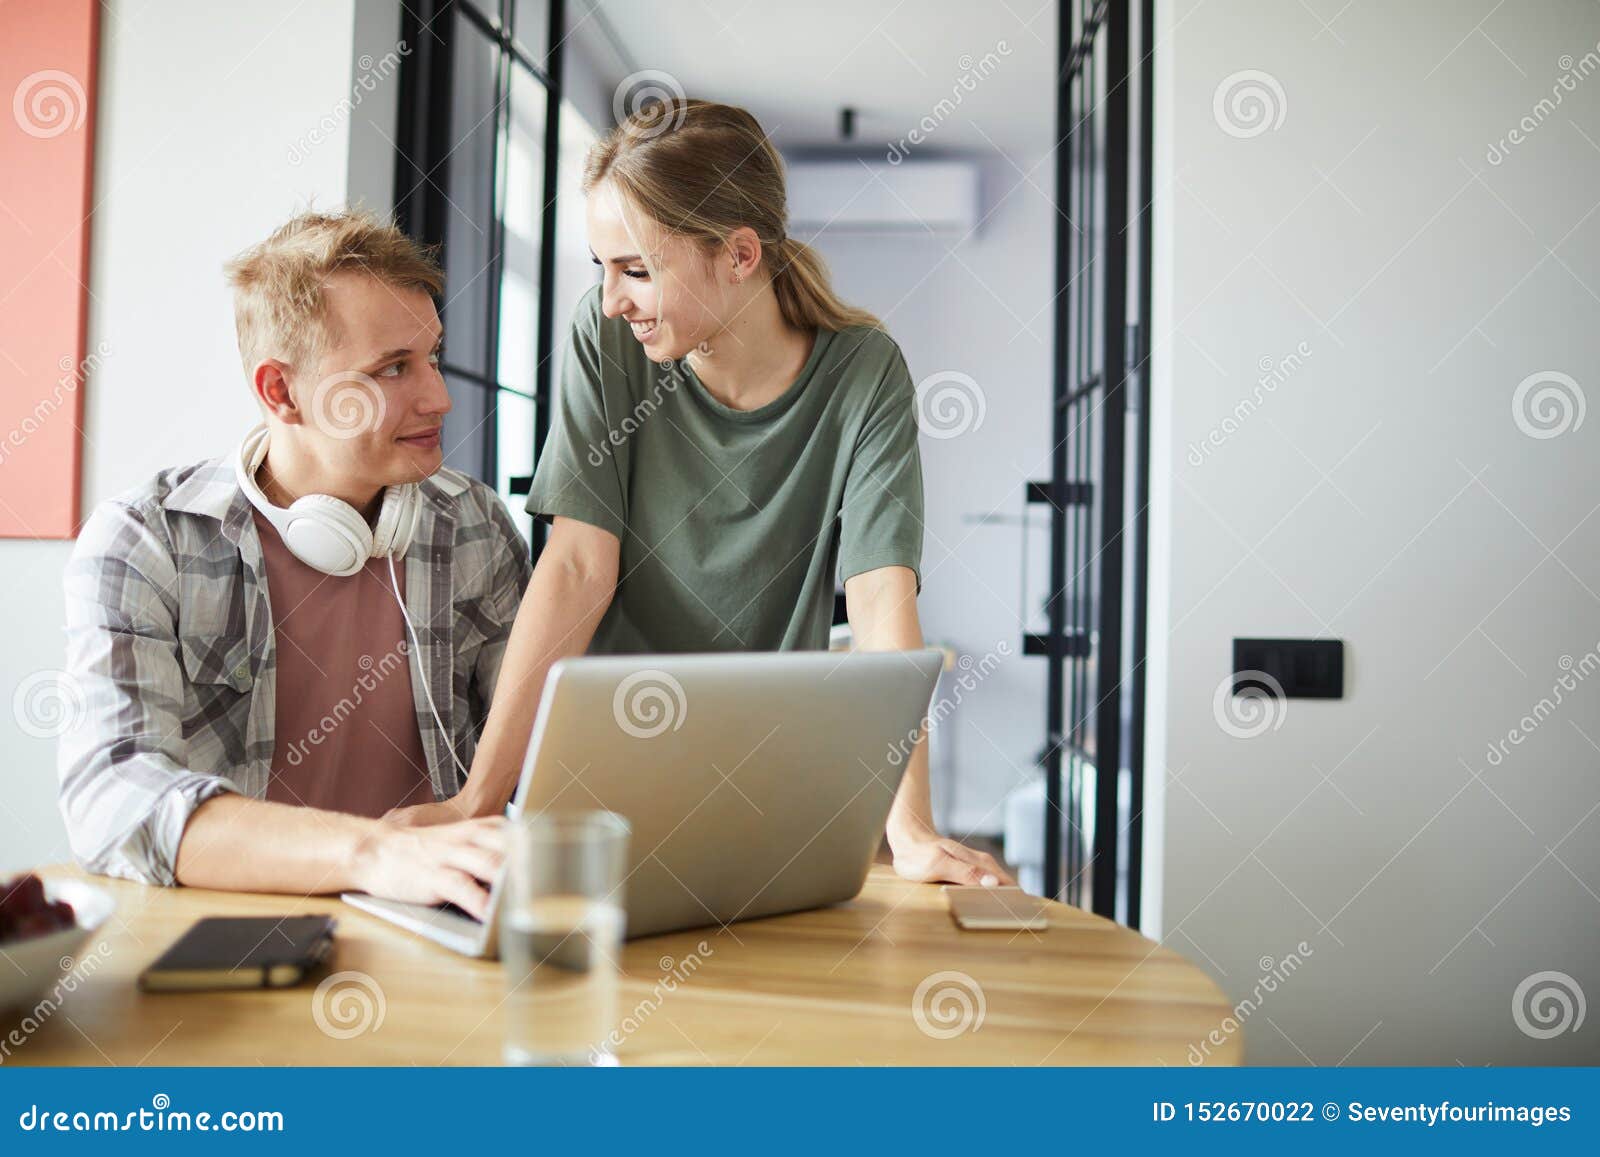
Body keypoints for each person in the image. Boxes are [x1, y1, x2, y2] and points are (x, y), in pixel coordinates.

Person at [399, 99, 1013, 888]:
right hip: (601, 778)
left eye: (637, 269)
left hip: (763, 791)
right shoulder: (609, 339)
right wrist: (476, 801)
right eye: (602, 268)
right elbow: (578, 567)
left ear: (739, 254)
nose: (614, 297)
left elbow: (879, 601)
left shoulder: (864, 375)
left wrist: (913, 830)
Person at [57, 211, 523, 919]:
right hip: (229, 934)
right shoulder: (146, 541)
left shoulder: (474, 526)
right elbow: (113, 796)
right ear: (280, 391)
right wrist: (373, 852)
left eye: (432, 356)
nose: (439, 396)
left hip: (439, 925)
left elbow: (549, 754)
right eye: (394, 367)